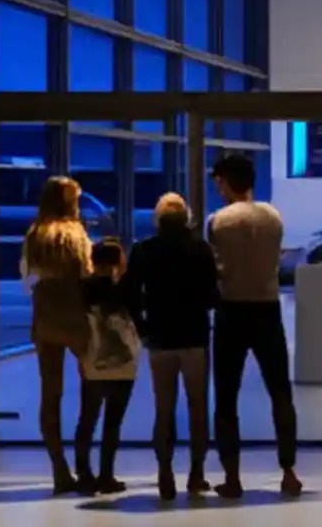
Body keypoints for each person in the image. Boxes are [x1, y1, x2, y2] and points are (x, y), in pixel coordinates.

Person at [208, 154, 302, 498]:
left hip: (232, 310)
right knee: (280, 392)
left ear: (223, 181)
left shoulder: (217, 220)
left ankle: (232, 477)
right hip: (267, 308)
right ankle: (289, 471)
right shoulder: (273, 217)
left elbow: (216, 267)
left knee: (226, 396)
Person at [118, 193, 219, 501]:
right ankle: (197, 474)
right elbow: (212, 296)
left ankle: (164, 473)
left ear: (158, 219)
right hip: (194, 337)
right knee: (197, 407)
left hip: (160, 337)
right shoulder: (200, 249)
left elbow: (128, 293)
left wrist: (143, 325)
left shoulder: (144, 250)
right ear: (186, 218)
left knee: (164, 408)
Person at [21, 176, 93, 494]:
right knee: (92, 391)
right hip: (77, 318)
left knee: (51, 395)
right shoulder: (76, 235)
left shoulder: (34, 235)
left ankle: (59, 468)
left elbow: (27, 280)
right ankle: (85, 465)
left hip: (46, 319)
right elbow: (87, 276)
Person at [74, 238, 141, 496]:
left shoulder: (84, 288)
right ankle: (106, 475)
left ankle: (84, 474)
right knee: (113, 424)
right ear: (118, 262)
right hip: (123, 365)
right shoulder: (125, 289)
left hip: (93, 361)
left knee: (87, 419)